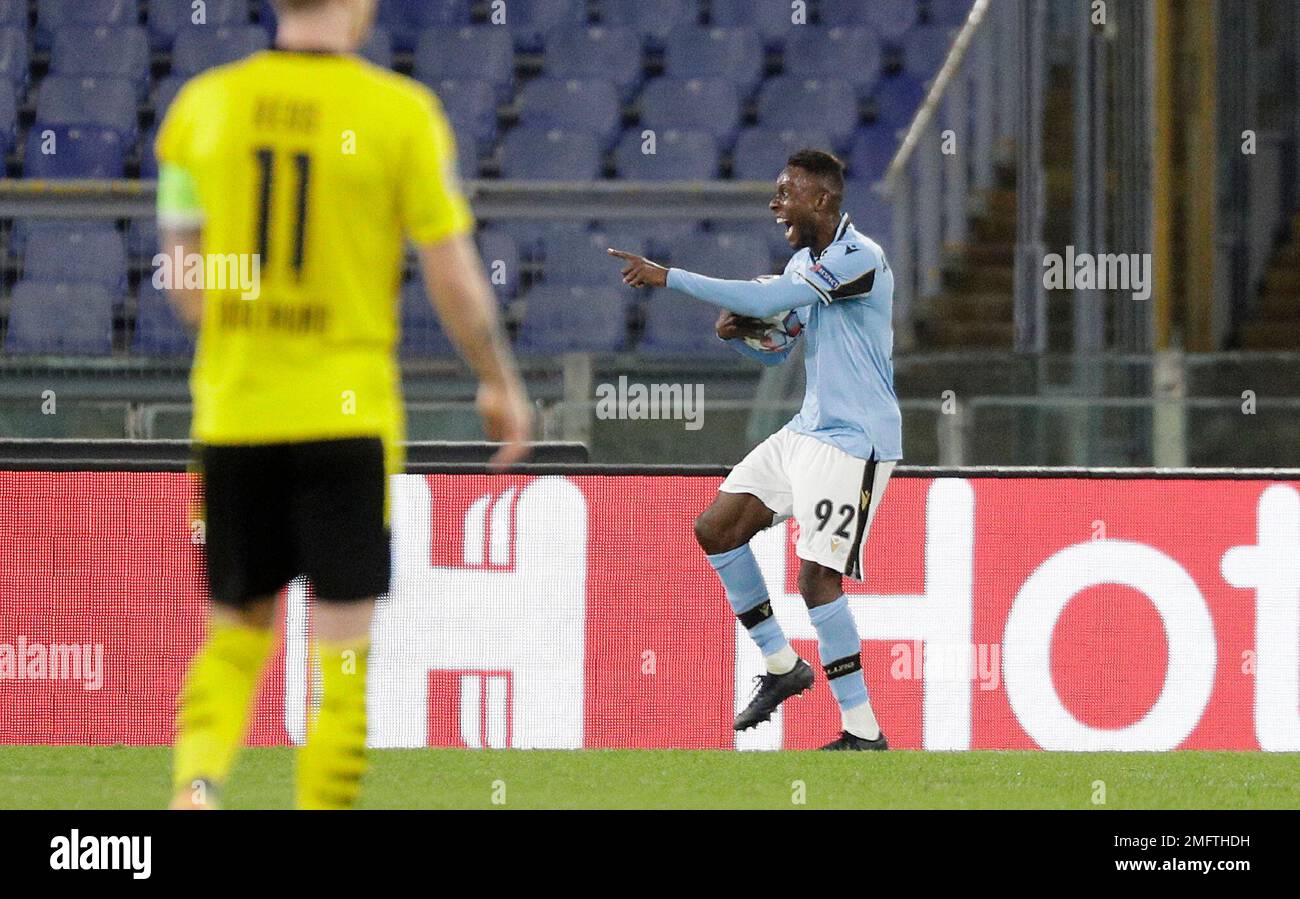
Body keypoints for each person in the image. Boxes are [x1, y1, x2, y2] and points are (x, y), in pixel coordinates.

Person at [159, 0, 531, 808]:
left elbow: (184, 286)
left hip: (236, 416)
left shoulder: (201, 109)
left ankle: (196, 785)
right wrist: (497, 377)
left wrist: (253, 301)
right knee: (345, 664)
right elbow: (455, 276)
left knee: (233, 640)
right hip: (347, 419)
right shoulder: (400, 115)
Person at [608, 149, 901, 750]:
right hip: (808, 431)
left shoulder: (859, 257)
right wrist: (739, 334)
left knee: (817, 581)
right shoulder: (805, 261)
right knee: (716, 528)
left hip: (855, 440)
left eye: (786, 192)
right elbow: (776, 343)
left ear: (822, 198)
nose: (776, 204)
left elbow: (770, 303)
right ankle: (780, 665)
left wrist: (671, 277)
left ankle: (863, 732)